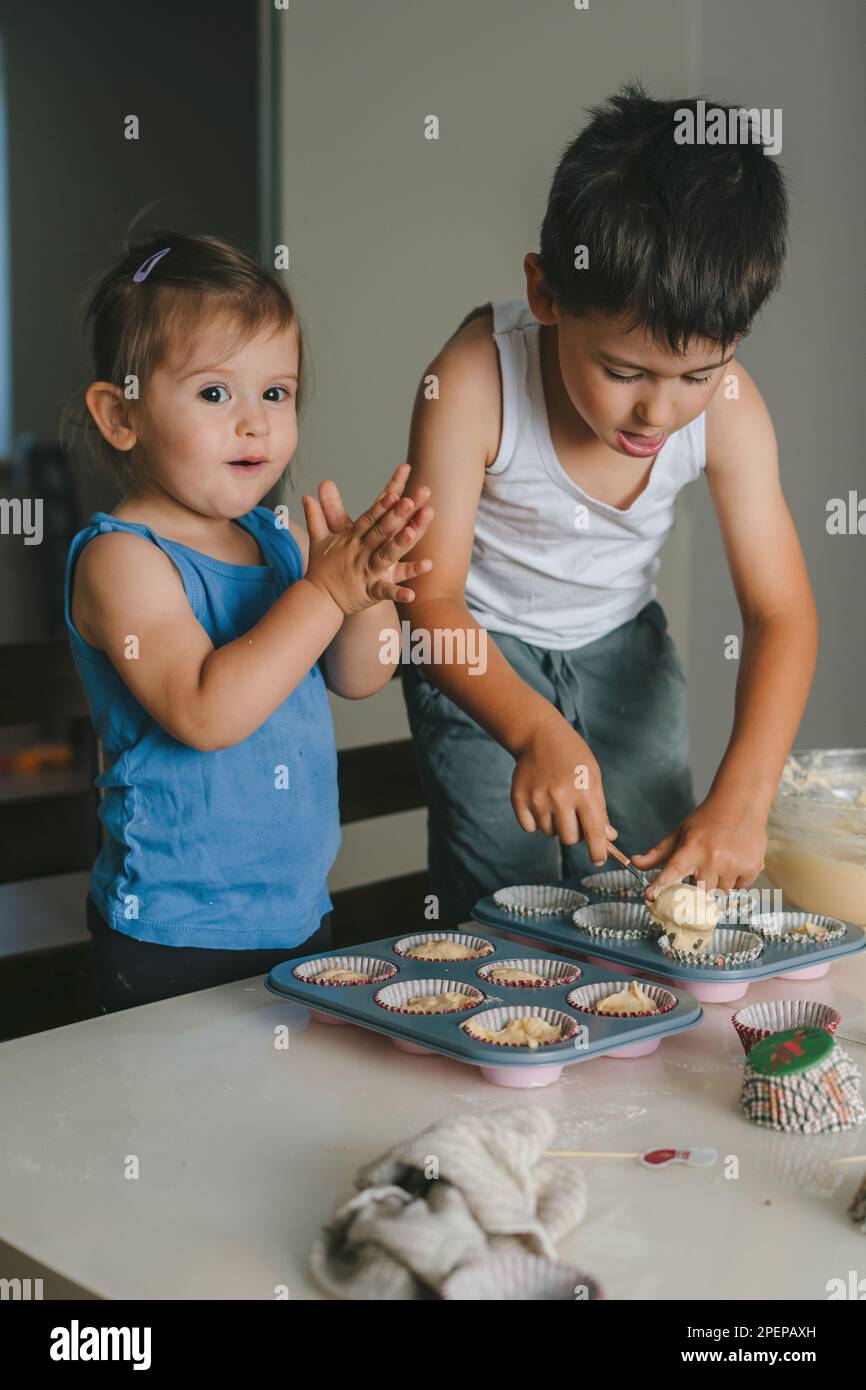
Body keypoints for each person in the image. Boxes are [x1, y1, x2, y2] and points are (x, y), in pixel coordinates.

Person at [398, 83, 818, 925]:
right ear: (548, 295)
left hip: (625, 656)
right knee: (507, 913)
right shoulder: (475, 379)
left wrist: (744, 793)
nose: (659, 412)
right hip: (482, 659)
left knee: (653, 902)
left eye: (697, 375)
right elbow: (427, 602)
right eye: (625, 373)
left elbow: (781, 612)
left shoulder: (730, 409)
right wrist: (532, 730)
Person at [62, 230, 433, 1010]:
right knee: (182, 1127)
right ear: (120, 414)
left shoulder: (281, 540)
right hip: (169, 933)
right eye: (213, 393)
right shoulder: (122, 560)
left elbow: (359, 678)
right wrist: (324, 594)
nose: (255, 424)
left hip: (296, 913)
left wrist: (365, 594)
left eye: (276, 393)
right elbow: (205, 710)